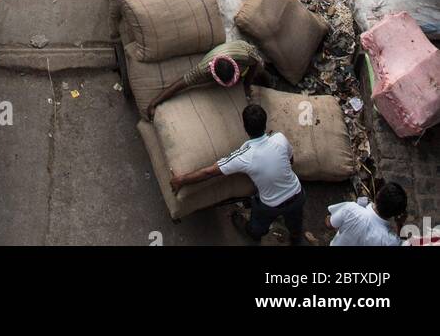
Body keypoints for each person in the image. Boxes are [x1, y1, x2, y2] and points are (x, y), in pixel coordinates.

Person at [170, 102, 305, 245]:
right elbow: (291, 160)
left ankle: (252, 233)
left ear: (245, 128)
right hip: (298, 194)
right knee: (295, 222)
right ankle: (296, 238)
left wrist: (181, 180)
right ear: (265, 124)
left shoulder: (245, 156)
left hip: (271, 206)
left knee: (257, 227)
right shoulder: (279, 139)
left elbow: (209, 172)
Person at [145, 41, 266, 114]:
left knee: (261, 70)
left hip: (243, 47)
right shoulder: (203, 68)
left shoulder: (246, 56)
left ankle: (269, 79)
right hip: (225, 62)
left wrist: (246, 85)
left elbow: (255, 64)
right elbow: (182, 82)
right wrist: (154, 103)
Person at [326, 184, 407, 247]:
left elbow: (329, 224)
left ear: (377, 195)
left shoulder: (351, 209)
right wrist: (400, 224)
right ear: (396, 215)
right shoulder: (389, 240)